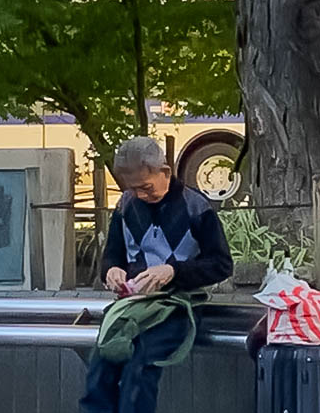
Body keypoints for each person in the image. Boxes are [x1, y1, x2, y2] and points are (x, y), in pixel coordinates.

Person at [80, 136, 233, 413]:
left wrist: (172, 271)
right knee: (101, 366)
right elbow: (113, 255)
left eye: (146, 187)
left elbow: (221, 264)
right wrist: (112, 270)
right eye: (133, 188)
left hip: (177, 305)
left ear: (164, 172)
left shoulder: (195, 206)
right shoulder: (125, 205)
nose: (140, 195)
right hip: (132, 306)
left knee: (140, 368)